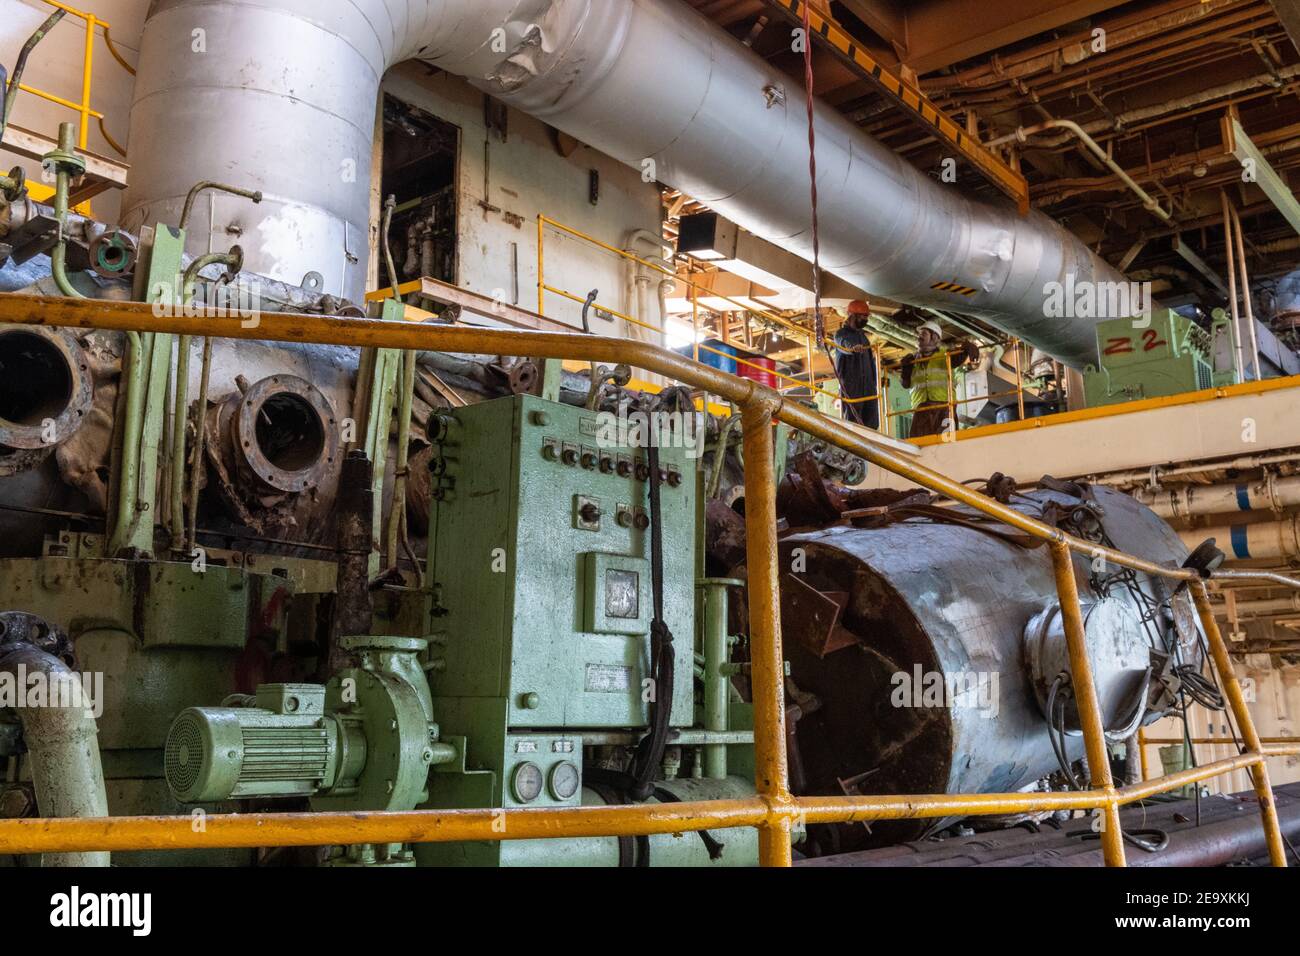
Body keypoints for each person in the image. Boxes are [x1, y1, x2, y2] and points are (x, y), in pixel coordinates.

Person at [898, 320, 980, 438]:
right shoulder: (911, 361)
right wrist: (905, 369)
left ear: (935, 337)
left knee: (947, 444)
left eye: (924, 333)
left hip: (944, 407)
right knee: (921, 446)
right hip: (921, 410)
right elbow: (905, 384)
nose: (919, 337)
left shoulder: (946, 356)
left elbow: (960, 357)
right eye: (919, 334)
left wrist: (968, 346)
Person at [831, 300, 880, 429]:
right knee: (853, 426)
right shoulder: (841, 335)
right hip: (852, 390)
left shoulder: (863, 337)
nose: (866, 320)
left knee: (872, 426)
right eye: (863, 316)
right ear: (852, 315)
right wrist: (853, 348)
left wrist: (874, 383)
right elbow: (843, 344)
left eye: (866, 317)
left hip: (869, 389)